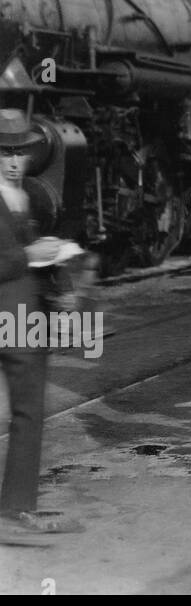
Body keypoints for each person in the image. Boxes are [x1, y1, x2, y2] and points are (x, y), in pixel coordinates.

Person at [0, 110, 79, 535]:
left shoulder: (26, 198)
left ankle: (15, 507)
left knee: (29, 412)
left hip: (24, 321)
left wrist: (63, 294)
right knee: (26, 412)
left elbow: (40, 252)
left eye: (20, 152)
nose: (14, 162)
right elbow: (22, 256)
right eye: (4, 152)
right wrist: (25, 257)